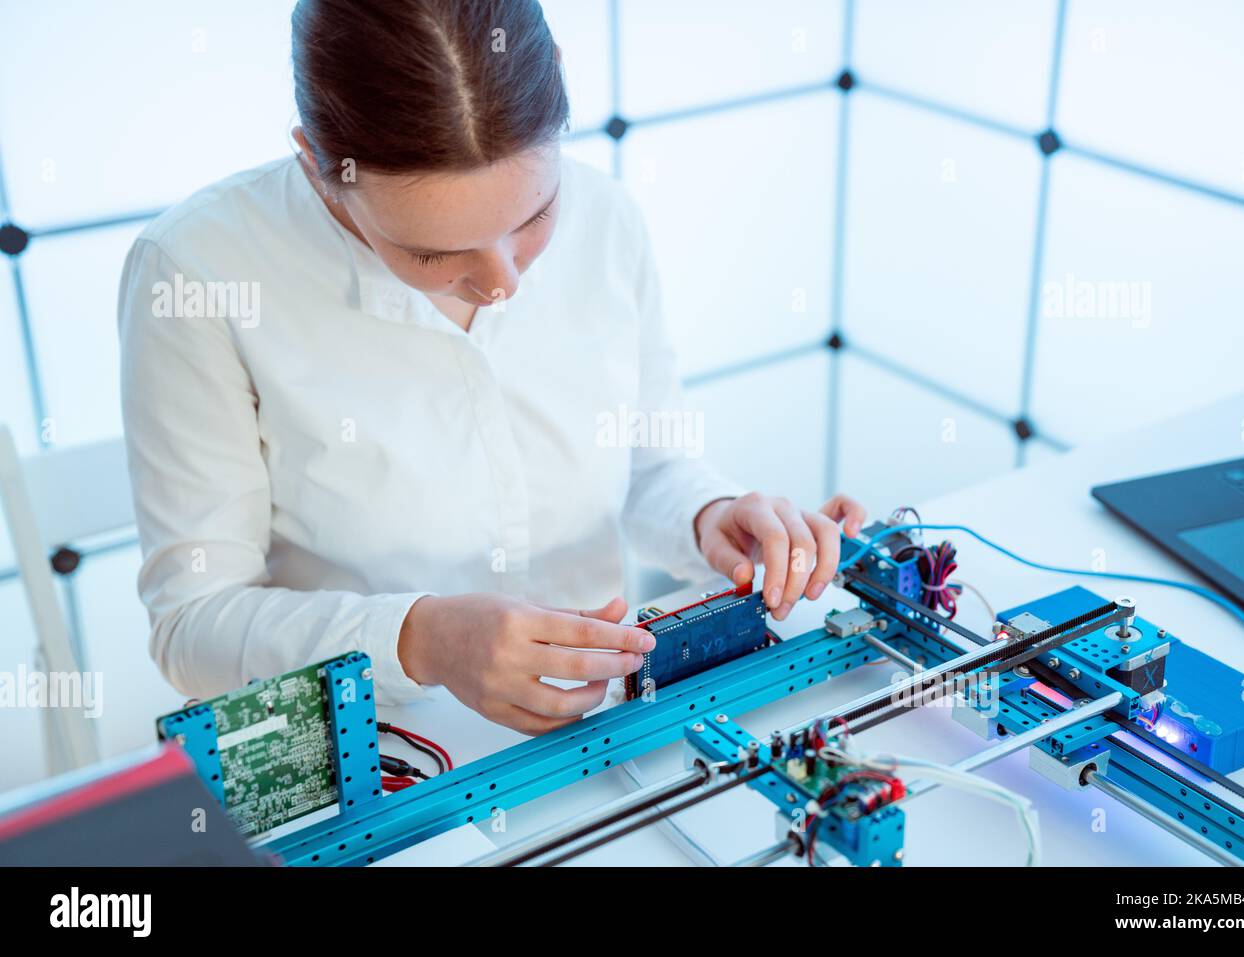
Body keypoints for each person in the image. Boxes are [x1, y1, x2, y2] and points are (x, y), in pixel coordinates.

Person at [117, 0, 866, 734]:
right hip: (382, 753)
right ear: (318, 165)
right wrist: (422, 638)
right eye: (432, 253)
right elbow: (193, 622)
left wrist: (709, 514)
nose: (502, 283)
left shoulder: (608, 219)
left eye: (535, 216)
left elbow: (646, 464)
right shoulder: (198, 274)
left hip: (617, 723)